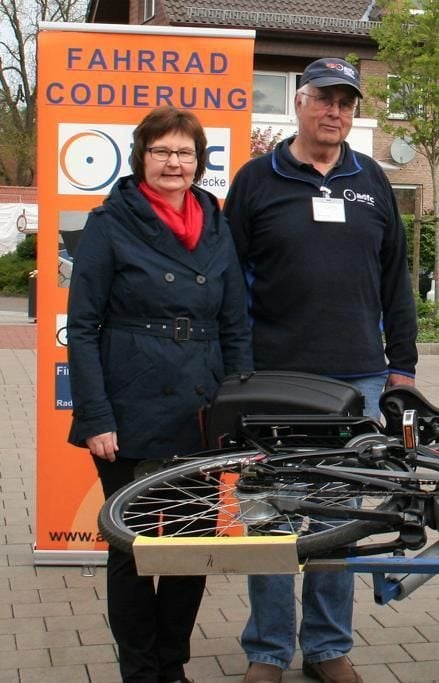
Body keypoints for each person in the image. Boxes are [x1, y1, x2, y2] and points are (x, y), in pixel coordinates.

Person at [225, 57, 417, 683]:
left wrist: (403, 369)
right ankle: (268, 651)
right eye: (324, 100)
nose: (335, 112)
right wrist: (235, 367)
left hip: (356, 377)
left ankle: (330, 648)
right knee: (272, 515)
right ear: (300, 104)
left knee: (339, 516)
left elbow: (396, 280)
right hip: (274, 378)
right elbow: (229, 284)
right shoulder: (256, 180)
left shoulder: (374, 182)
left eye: (346, 103)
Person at [67, 106, 253, 683]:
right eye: (162, 151)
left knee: (189, 551)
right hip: (130, 405)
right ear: (140, 157)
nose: (174, 163)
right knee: (131, 551)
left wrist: (236, 413)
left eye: (185, 153)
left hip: (199, 407)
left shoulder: (216, 223)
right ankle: (139, 671)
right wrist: (96, 415)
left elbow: (235, 327)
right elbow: (82, 326)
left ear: (200, 161)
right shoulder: (110, 222)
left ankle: (172, 665)